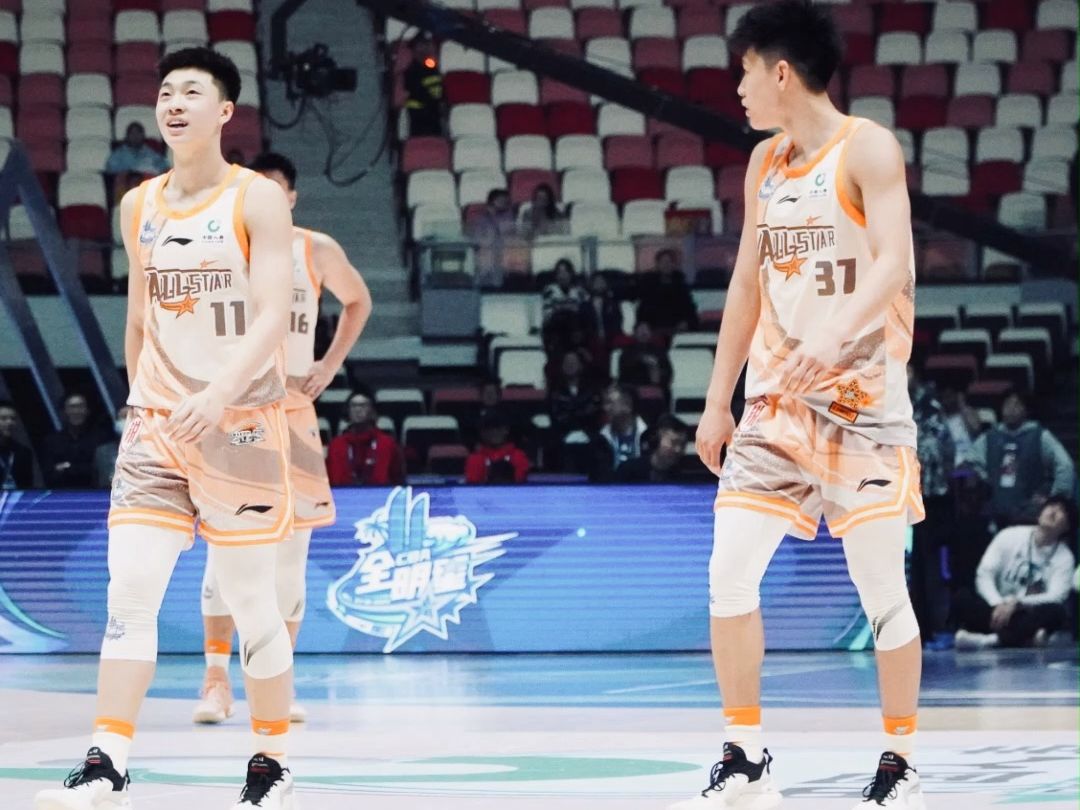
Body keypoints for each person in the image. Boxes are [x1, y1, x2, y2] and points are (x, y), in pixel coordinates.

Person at [35, 47, 301, 809]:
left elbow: (274, 313)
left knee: (251, 603)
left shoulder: (257, 199)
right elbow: (140, 316)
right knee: (130, 594)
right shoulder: (139, 206)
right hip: (156, 427)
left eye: (192, 92)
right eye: (165, 93)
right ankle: (106, 764)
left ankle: (271, 762)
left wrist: (219, 394)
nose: (174, 104)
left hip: (240, 425)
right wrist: (137, 401)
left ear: (225, 111)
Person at [679, 3, 929, 807]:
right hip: (776, 408)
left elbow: (894, 263)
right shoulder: (765, 163)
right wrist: (717, 401)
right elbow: (747, 285)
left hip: (861, 403)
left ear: (780, 71)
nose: (739, 90)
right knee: (728, 574)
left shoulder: (868, 148)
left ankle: (899, 758)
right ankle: (745, 753)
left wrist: (837, 333)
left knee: (880, 589)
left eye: (745, 72)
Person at [196, 152, 372, 727]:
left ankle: (278, 681)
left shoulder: (314, 249)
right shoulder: (221, 250)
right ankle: (216, 681)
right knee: (225, 552)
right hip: (235, 413)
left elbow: (358, 300)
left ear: (291, 198)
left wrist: (329, 364)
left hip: (293, 412)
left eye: (277, 191)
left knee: (291, 558)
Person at [954, 496, 1077, 649]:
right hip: (994, 608)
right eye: (1051, 506)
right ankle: (1026, 638)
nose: (1053, 512)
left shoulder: (1064, 557)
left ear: (1067, 527)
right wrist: (998, 603)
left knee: (1056, 612)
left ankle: (989, 640)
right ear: (1040, 513)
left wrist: (1018, 603)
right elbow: (985, 574)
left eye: (1061, 511)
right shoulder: (1009, 535)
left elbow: (1056, 596)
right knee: (962, 597)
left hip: (1027, 612)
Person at [969, 391, 1075, 530]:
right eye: (1007, 405)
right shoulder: (989, 437)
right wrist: (986, 482)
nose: (1011, 409)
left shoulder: (1040, 436)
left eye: (1016, 405)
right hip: (997, 511)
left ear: (1026, 410)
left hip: (1030, 514)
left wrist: (1056, 499)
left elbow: (1065, 465)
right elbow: (972, 462)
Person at [907, 366, 956, 650]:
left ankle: (926, 628)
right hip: (892, 493)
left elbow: (939, 451)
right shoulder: (884, 398)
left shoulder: (929, 407)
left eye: (907, 369)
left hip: (928, 497)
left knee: (925, 564)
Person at [326, 389, 405, 486]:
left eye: (363, 405)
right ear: (348, 411)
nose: (358, 410)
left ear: (373, 411)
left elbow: (398, 479)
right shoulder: (336, 445)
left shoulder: (387, 444)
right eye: (353, 406)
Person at [40, 392, 108, 489]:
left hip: (95, 492)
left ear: (87, 411)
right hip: (62, 493)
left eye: (80, 407)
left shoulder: (101, 438)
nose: (76, 411)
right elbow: (49, 475)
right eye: (72, 407)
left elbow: (101, 471)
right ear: (64, 412)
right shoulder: (52, 441)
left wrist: (68, 468)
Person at [588, 384, 647, 482]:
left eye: (610, 403)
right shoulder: (600, 441)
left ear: (628, 405)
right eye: (605, 403)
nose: (605, 408)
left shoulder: (649, 435)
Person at [635, 249, 699, 336]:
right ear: (657, 264)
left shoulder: (681, 286)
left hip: (678, 329)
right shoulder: (648, 286)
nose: (667, 265)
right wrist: (642, 324)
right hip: (654, 329)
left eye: (670, 262)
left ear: (674, 264)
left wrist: (687, 322)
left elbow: (690, 310)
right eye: (663, 262)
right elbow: (643, 309)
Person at [614, 414, 689, 483]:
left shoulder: (681, 478)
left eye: (683, 444)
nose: (678, 449)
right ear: (657, 440)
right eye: (673, 442)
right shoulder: (628, 470)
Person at [464, 407, 530, 484]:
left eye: (498, 428)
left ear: (506, 430)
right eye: (489, 429)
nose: (494, 432)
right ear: (482, 433)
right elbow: (473, 485)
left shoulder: (518, 456)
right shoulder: (474, 459)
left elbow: (520, 483)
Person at [548, 350, 601, 439]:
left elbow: (592, 412)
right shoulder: (555, 390)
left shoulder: (591, 389)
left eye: (573, 362)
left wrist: (573, 412)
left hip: (589, 434)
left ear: (580, 365)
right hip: (562, 435)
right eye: (567, 362)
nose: (570, 365)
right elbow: (557, 415)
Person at [403, 35, 445, 136]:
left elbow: (439, 90)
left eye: (427, 45)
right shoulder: (411, 71)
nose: (425, 49)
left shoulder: (432, 68)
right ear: (414, 51)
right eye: (421, 45)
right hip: (419, 115)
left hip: (434, 115)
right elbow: (416, 92)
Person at [617, 321, 673, 390]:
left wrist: (657, 372)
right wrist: (642, 360)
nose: (644, 332)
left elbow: (668, 371)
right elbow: (624, 373)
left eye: (646, 329)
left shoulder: (659, 351)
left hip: (656, 387)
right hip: (634, 388)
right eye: (640, 330)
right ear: (635, 333)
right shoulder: (627, 351)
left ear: (650, 333)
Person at [92, 406, 131, 489]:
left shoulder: (150, 451)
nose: (126, 422)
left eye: (130, 418)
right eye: (124, 417)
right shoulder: (103, 452)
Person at [0, 400, 35, 490]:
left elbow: (28, 486)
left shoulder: (23, 452)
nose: (9, 422)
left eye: (13, 419)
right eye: (3, 418)